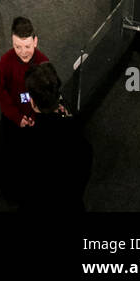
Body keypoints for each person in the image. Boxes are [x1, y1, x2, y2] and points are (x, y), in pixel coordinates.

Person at [18, 62, 93, 212]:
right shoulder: (73, 126)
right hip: (72, 203)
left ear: (32, 101)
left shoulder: (28, 139)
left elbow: (23, 184)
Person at [0, 15, 49, 138]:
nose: (23, 52)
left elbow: (47, 93)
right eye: (17, 47)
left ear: (35, 41)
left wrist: (35, 116)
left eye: (27, 46)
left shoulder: (43, 62)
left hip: (38, 116)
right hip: (13, 116)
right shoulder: (6, 60)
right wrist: (16, 116)